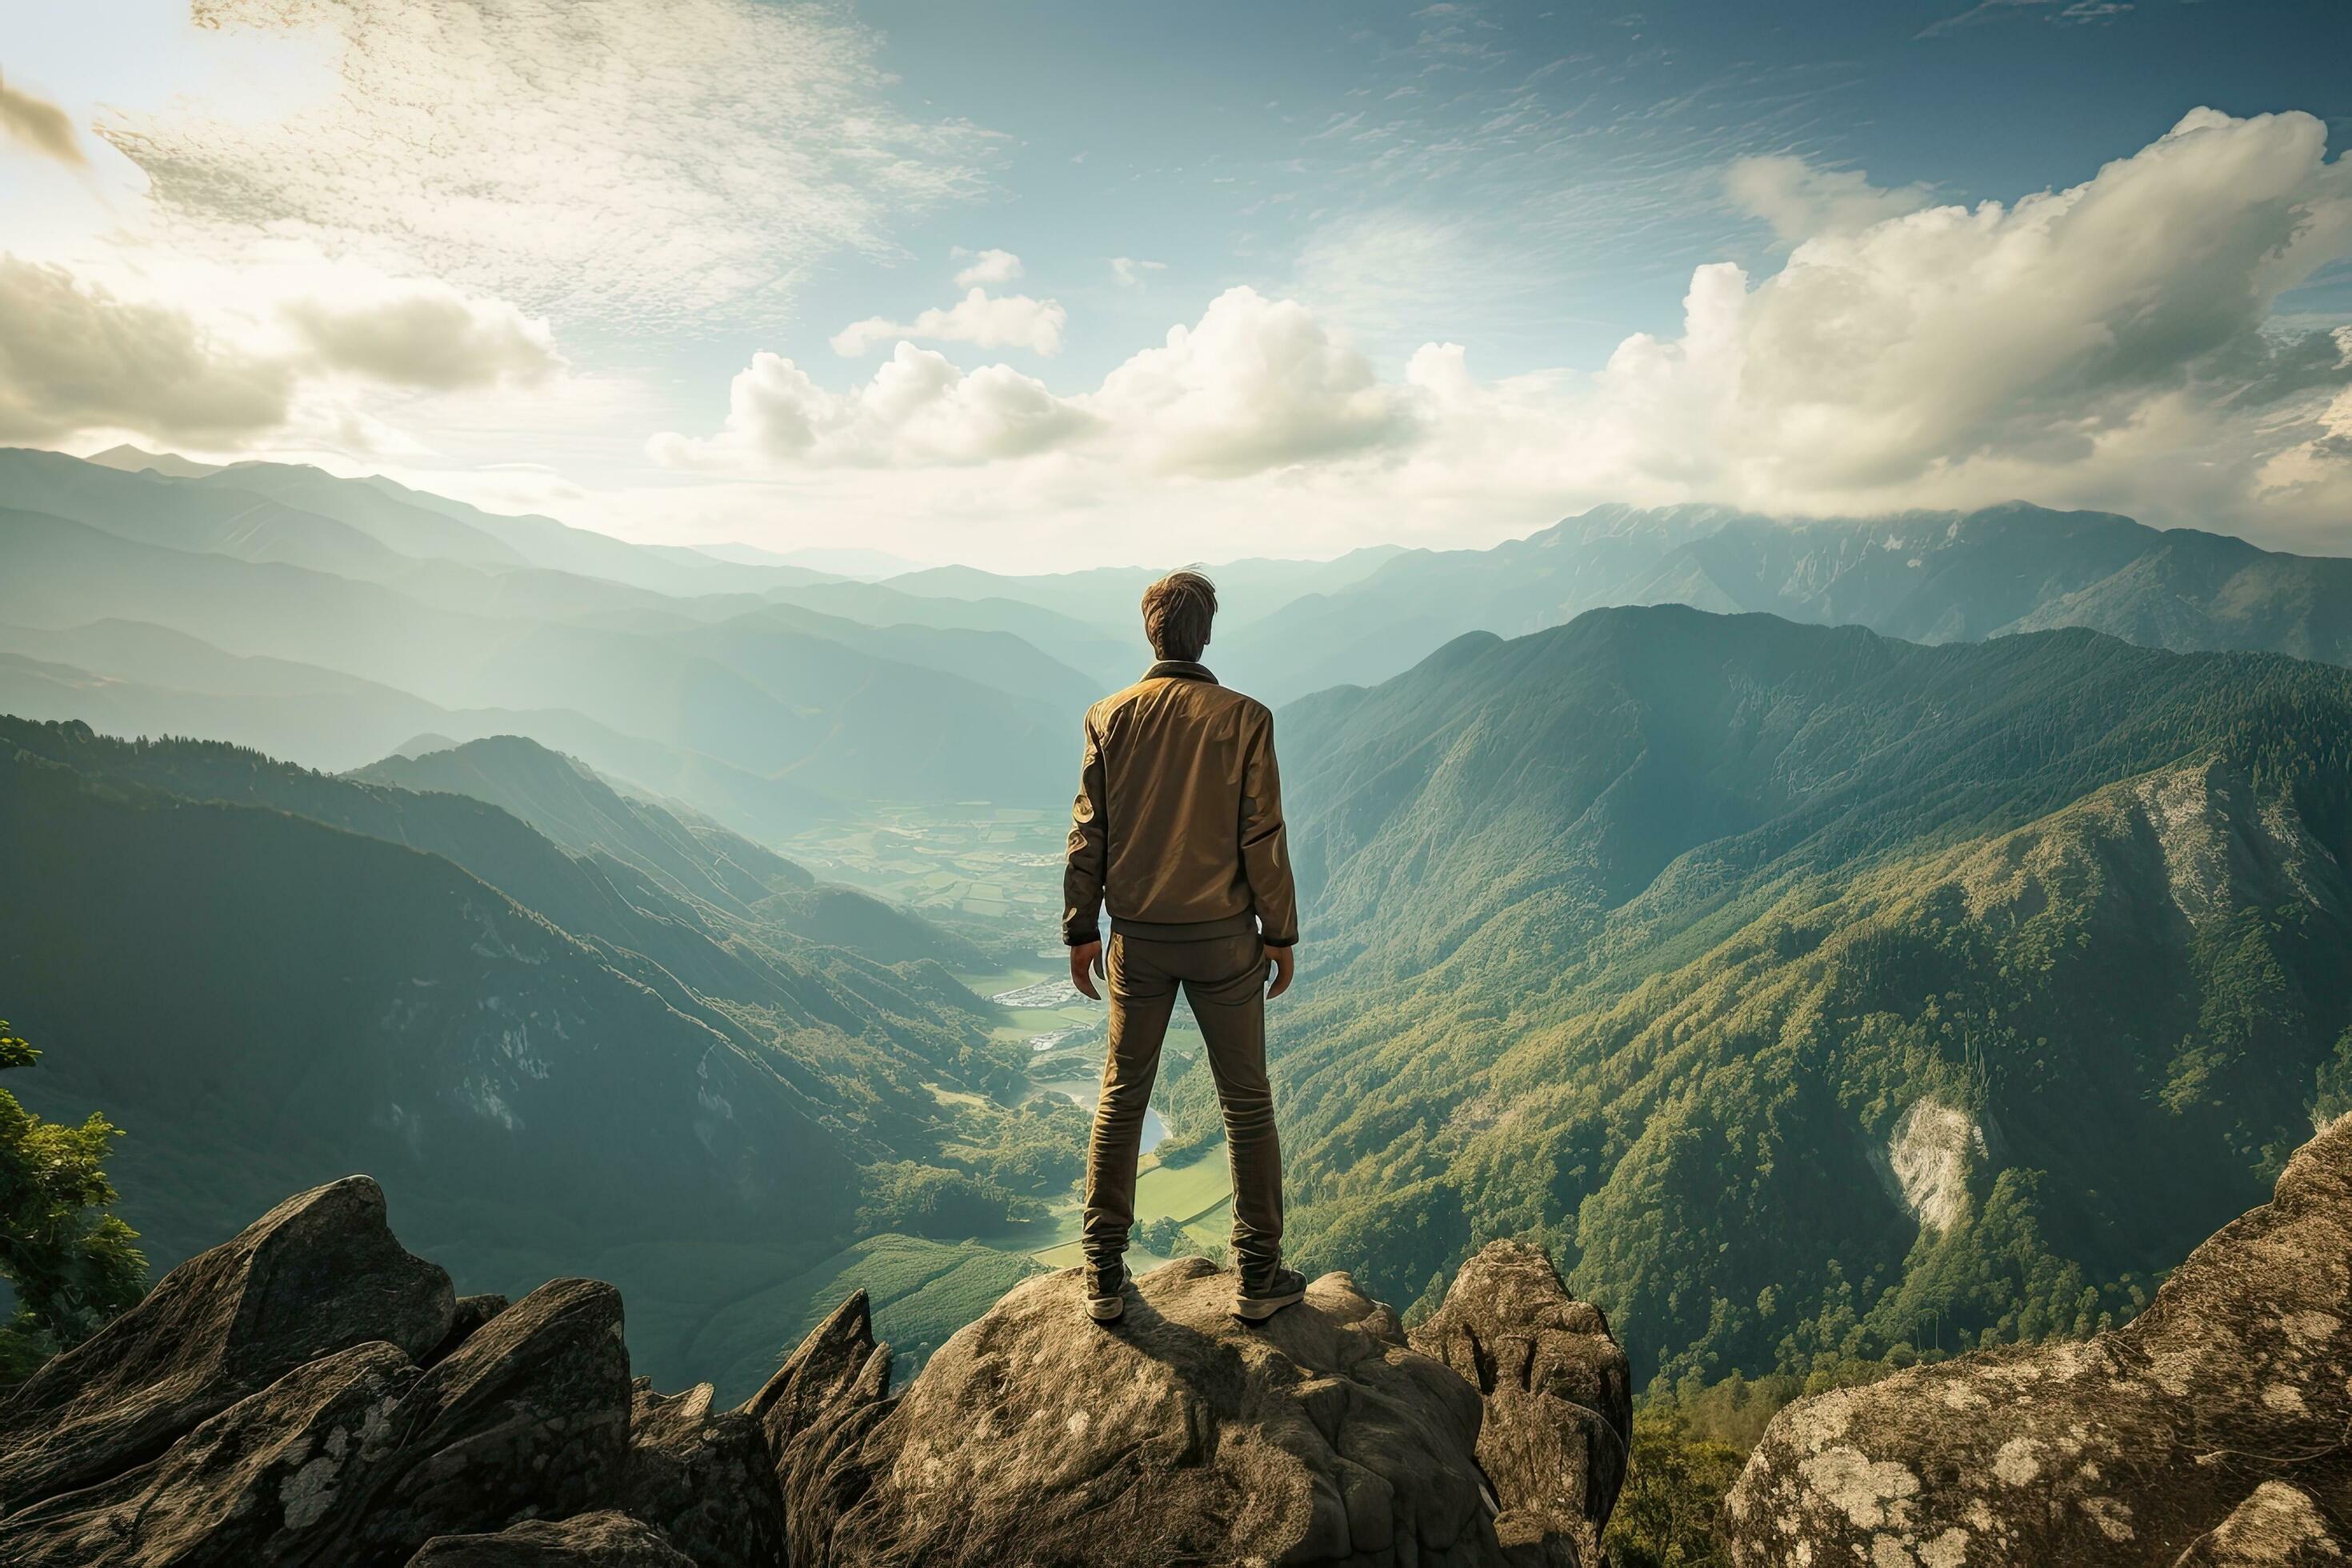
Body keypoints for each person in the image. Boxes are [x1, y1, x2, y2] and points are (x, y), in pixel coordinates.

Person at [1062, 569, 1303, 1326]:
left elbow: (1088, 832)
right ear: (1207, 633)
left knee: (1121, 1098)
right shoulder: (1246, 718)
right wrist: (1280, 932)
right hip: (1226, 941)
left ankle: (1102, 1273)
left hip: (1136, 941)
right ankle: (1257, 1277)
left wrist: (1080, 926)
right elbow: (1261, 836)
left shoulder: (1110, 716)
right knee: (1247, 1104)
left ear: (1150, 632)